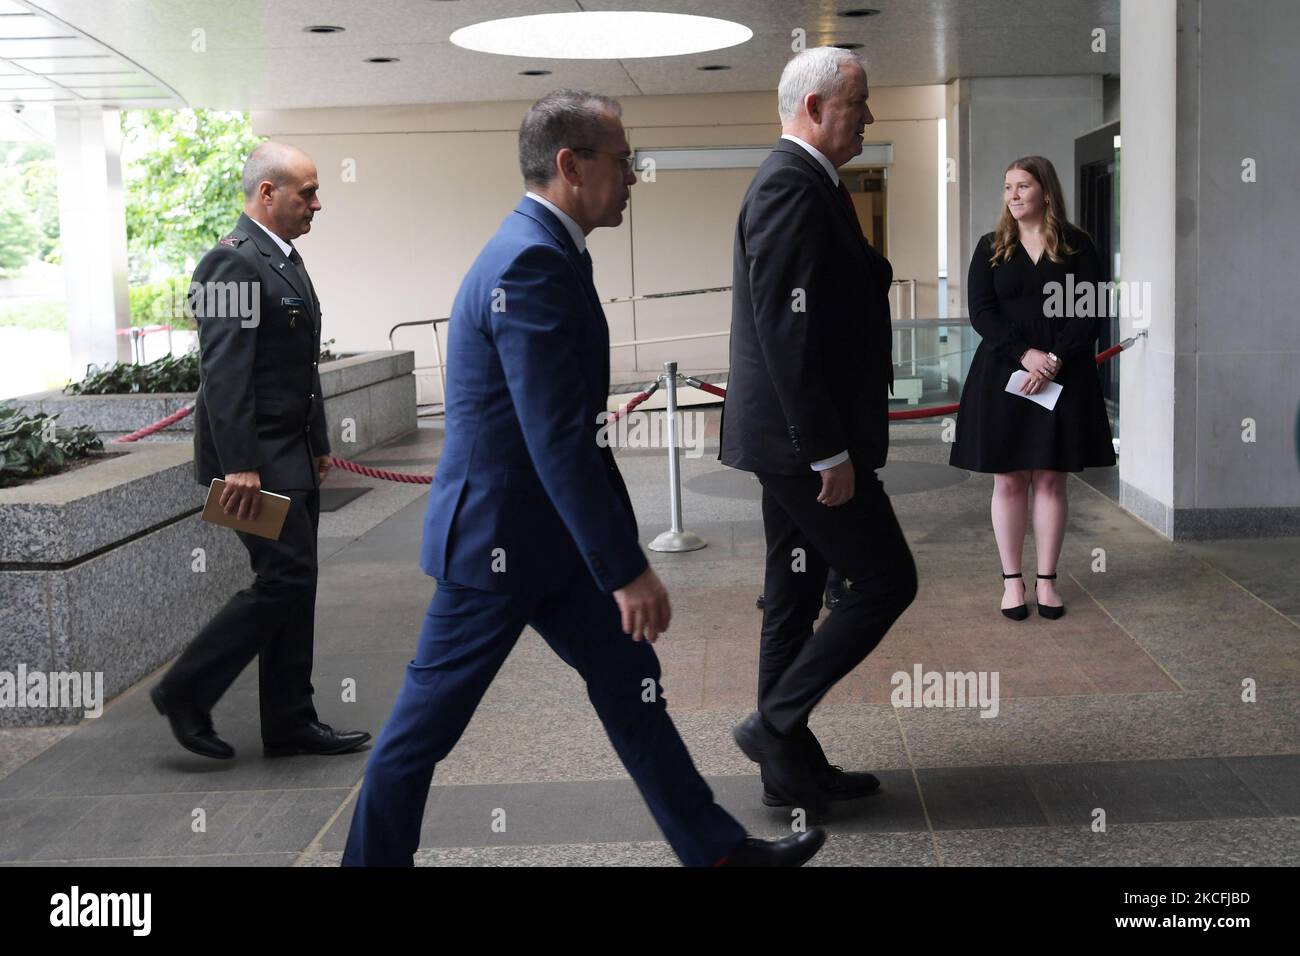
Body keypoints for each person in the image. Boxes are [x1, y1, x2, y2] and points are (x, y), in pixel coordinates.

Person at [342, 90, 825, 867]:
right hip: (496, 547)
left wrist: (610, 556)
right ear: (571, 165)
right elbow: (557, 437)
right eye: (624, 161)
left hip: (550, 542)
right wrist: (626, 568)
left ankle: (721, 855)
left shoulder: (547, 249)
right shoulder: (531, 260)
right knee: (417, 739)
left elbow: (570, 432)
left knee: (634, 687)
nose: (634, 176)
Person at [720, 47, 918, 816]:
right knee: (883, 581)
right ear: (813, 109)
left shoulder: (813, 183)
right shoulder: (788, 186)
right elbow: (784, 332)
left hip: (794, 441)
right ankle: (774, 726)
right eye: (858, 102)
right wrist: (827, 451)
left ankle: (788, 768)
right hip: (803, 445)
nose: (869, 116)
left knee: (795, 592)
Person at [150, 143, 371, 760]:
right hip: (249, 467)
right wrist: (239, 465)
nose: (317, 203)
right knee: (285, 578)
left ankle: (289, 721)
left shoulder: (286, 261)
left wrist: (319, 445)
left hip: (289, 457)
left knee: (295, 583)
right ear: (267, 193)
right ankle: (185, 690)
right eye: (306, 192)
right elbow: (224, 375)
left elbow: (298, 366)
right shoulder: (230, 264)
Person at [948, 155, 1116, 620]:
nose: (1013, 195)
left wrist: (1055, 359)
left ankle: (1046, 581)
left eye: (1022, 186)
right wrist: (1026, 355)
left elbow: (1091, 312)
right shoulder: (991, 247)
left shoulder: (1078, 246)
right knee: (1008, 478)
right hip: (1005, 373)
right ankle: (1011, 582)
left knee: (1049, 476)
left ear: (1045, 191)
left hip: (1065, 374)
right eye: (1007, 188)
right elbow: (982, 312)